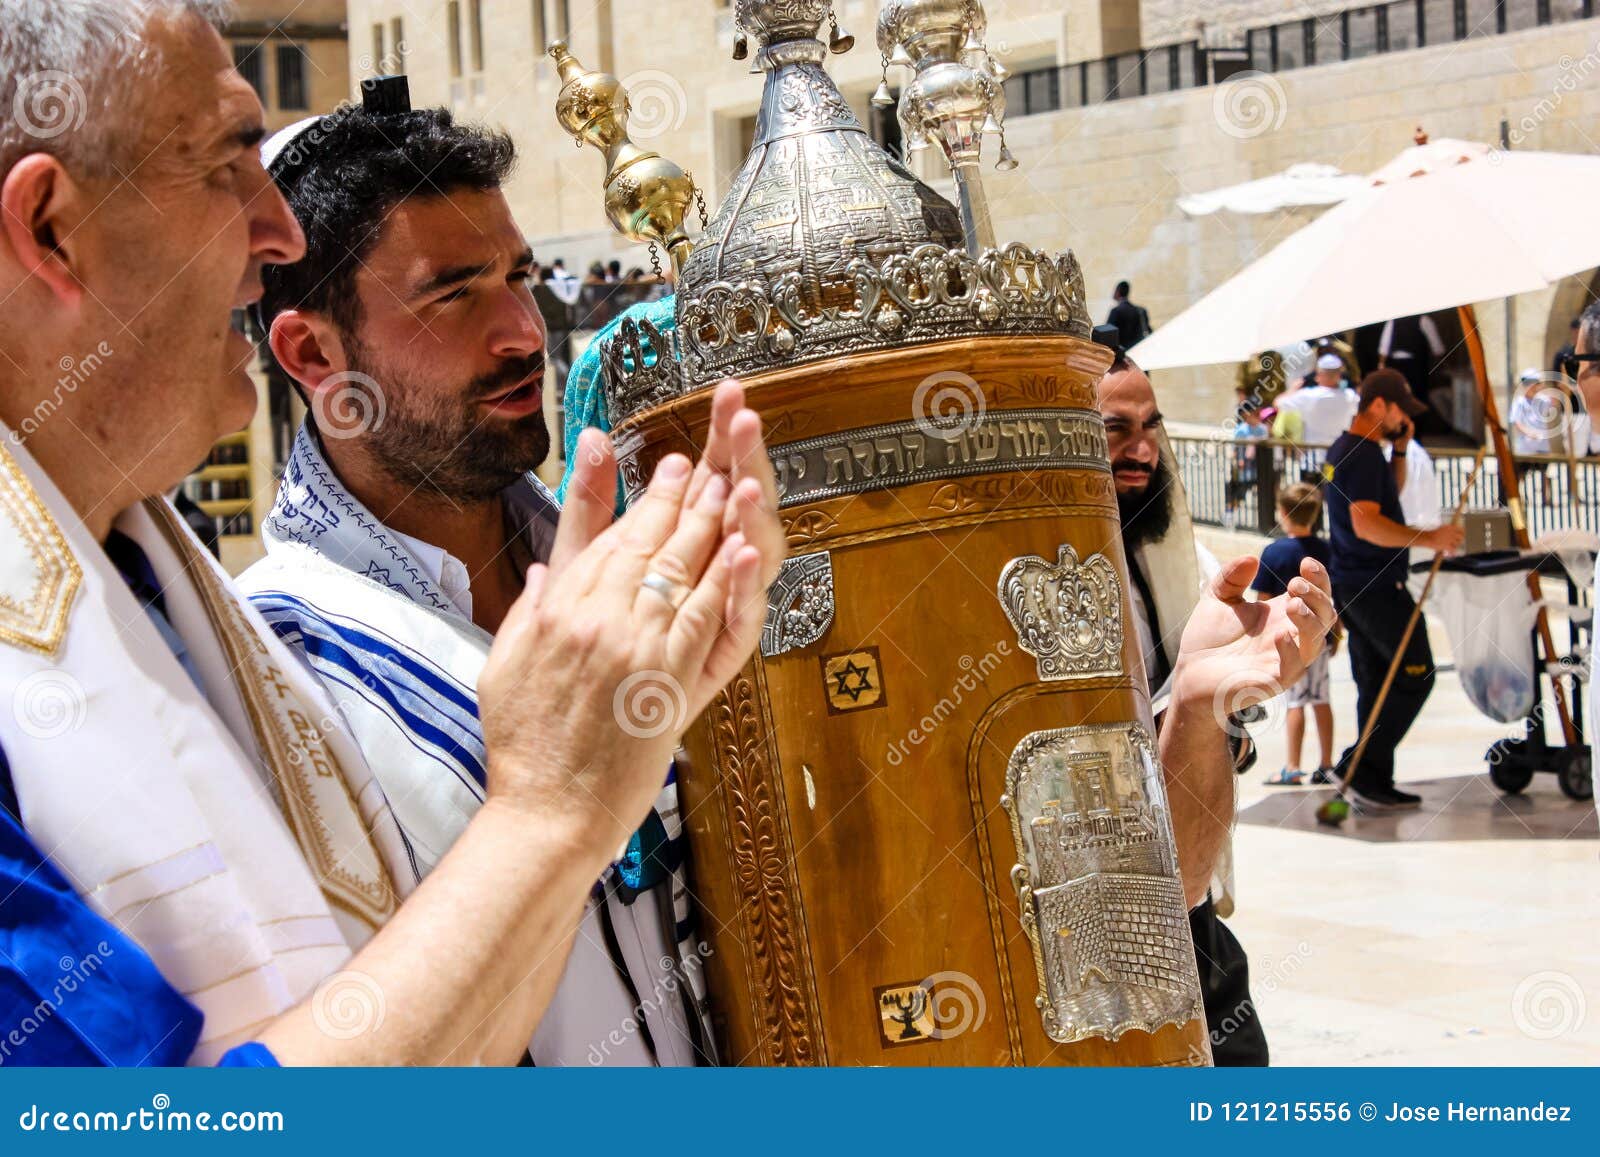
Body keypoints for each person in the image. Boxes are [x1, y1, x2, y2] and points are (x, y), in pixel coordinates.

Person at [0, 0, 782, 1066]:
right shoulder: (295, 648)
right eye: (227, 162)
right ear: (49, 229)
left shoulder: (151, 588)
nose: (271, 229)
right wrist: (550, 814)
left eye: (516, 279)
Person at [236, 97, 789, 1065]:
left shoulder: (632, 562)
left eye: (519, 276)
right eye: (453, 292)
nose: (524, 333)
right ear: (312, 352)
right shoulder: (274, 679)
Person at [1097, 342, 1338, 1065]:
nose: (1142, 449)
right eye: (1115, 429)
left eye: (1152, 425)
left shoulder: (1180, 558)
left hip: (1189, 918)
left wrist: (1221, 707)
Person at [1321, 370, 1464, 813]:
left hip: (1353, 583)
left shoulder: (1349, 451)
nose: (1404, 418)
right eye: (1400, 409)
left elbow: (1386, 500)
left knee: (1376, 683)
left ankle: (1373, 778)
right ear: (1380, 405)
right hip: (1375, 586)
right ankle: (1358, 766)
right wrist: (1430, 538)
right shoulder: (1361, 454)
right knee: (1416, 674)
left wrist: (1400, 449)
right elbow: (1367, 523)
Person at [1253, 484, 1338, 786]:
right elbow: (1333, 596)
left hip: (1289, 640)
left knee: (1295, 702)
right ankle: (1327, 764)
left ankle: (1292, 766)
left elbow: (1263, 600)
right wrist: (1337, 632)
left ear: (1283, 513)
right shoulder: (1326, 550)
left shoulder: (1273, 552)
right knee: (1322, 698)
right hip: (1321, 634)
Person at [1377, 312, 1445, 402]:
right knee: (1417, 400)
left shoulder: (1393, 321)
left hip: (1400, 367)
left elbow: (1383, 349)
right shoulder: (1424, 320)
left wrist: (1381, 365)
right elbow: (1438, 349)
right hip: (1416, 368)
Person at [1106, 279, 1151, 350]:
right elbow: (1149, 331)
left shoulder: (1116, 311)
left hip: (1123, 354)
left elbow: (1108, 334)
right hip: (1139, 350)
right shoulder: (1141, 311)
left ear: (1117, 292)